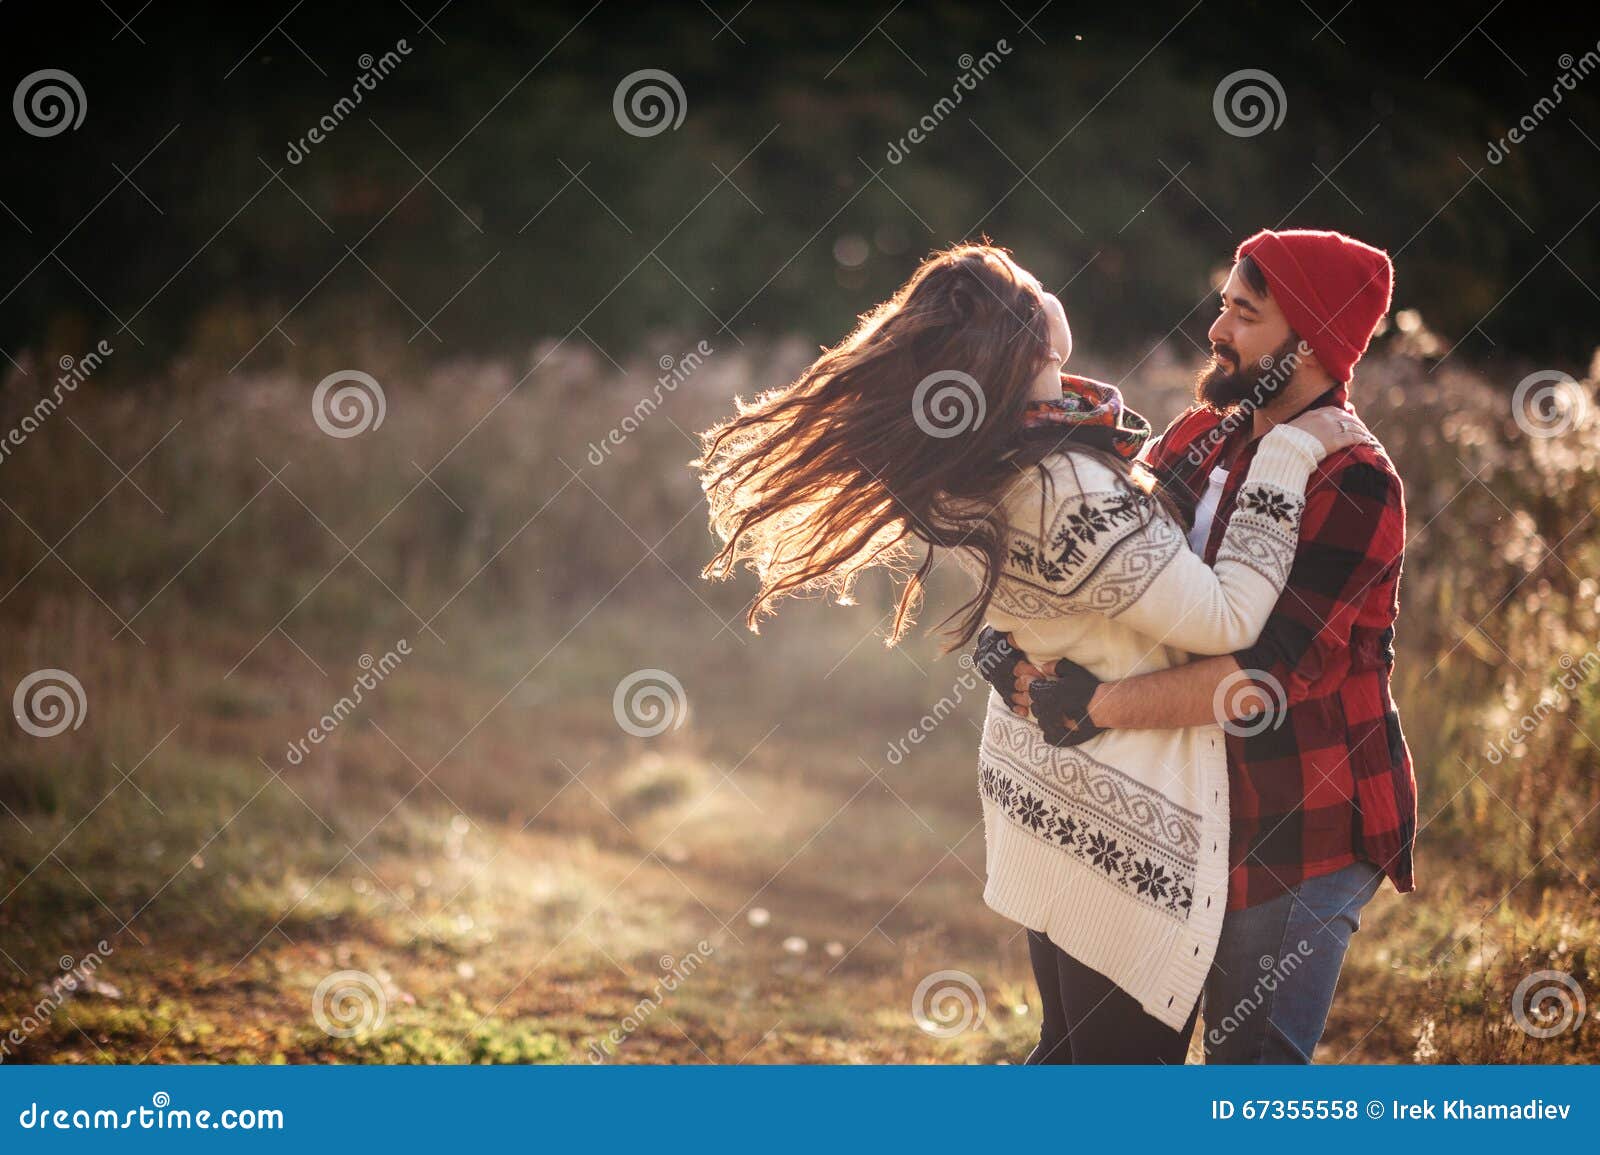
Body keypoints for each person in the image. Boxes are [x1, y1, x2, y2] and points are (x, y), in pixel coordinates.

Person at [694, 241, 1369, 1064]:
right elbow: (1205, 610)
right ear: (1034, 346)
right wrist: (1290, 452)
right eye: (1036, 290)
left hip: (1162, 798)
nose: (1215, 325)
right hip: (1113, 813)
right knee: (1111, 1072)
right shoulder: (1076, 479)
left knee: (1100, 1058)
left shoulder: (1031, 447)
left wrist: (1033, 671)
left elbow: (1247, 657)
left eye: (1242, 310)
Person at [984, 228, 1417, 1064]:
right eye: (1224, 305)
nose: (1218, 329)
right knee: (1085, 1052)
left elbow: (1265, 678)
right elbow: (1094, 570)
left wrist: (1087, 706)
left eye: (1245, 315)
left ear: (1312, 344)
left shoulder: (1354, 478)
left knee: (1248, 1076)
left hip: (1295, 826)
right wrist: (1005, 647)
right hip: (1179, 815)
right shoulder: (1196, 436)